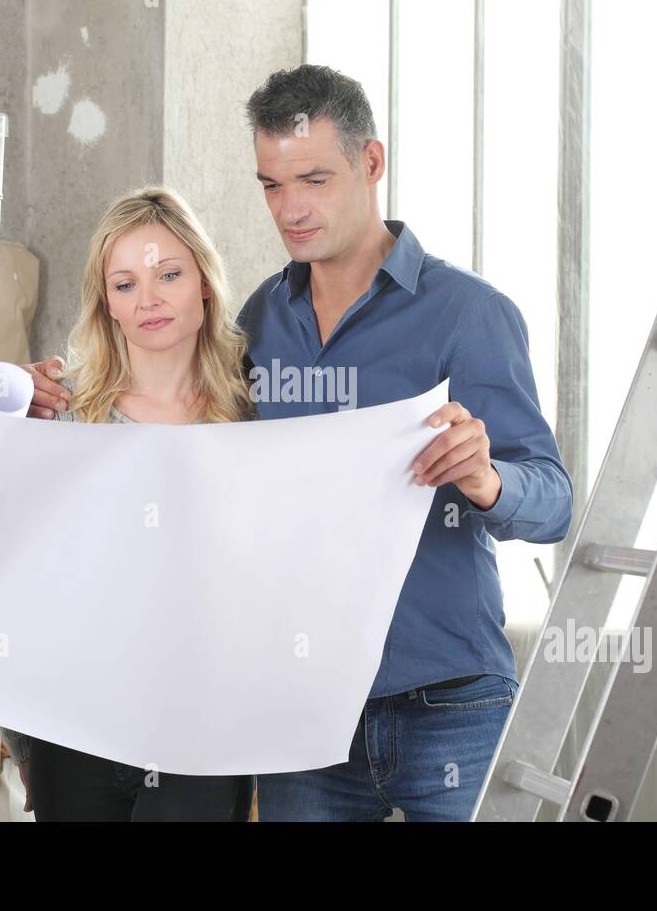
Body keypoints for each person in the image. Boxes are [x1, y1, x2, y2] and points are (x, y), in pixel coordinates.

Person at [235, 64, 574, 821]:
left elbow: (554, 505)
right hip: (306, 706)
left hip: (450, 702)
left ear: (372, 162)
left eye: (313, 179)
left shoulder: (469, 314)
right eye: (271, 185)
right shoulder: (257, 318)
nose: (290, 209)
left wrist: (487, 480)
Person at [3, 186, 254, 821]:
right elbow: (23, 580)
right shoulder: (58, 410)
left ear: (203, 280)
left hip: (202, 738)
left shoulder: (255, 417)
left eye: (168, 274)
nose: (148, 300)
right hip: (76, 733)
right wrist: (22, 739)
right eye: (125, 284)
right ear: (105, 301)